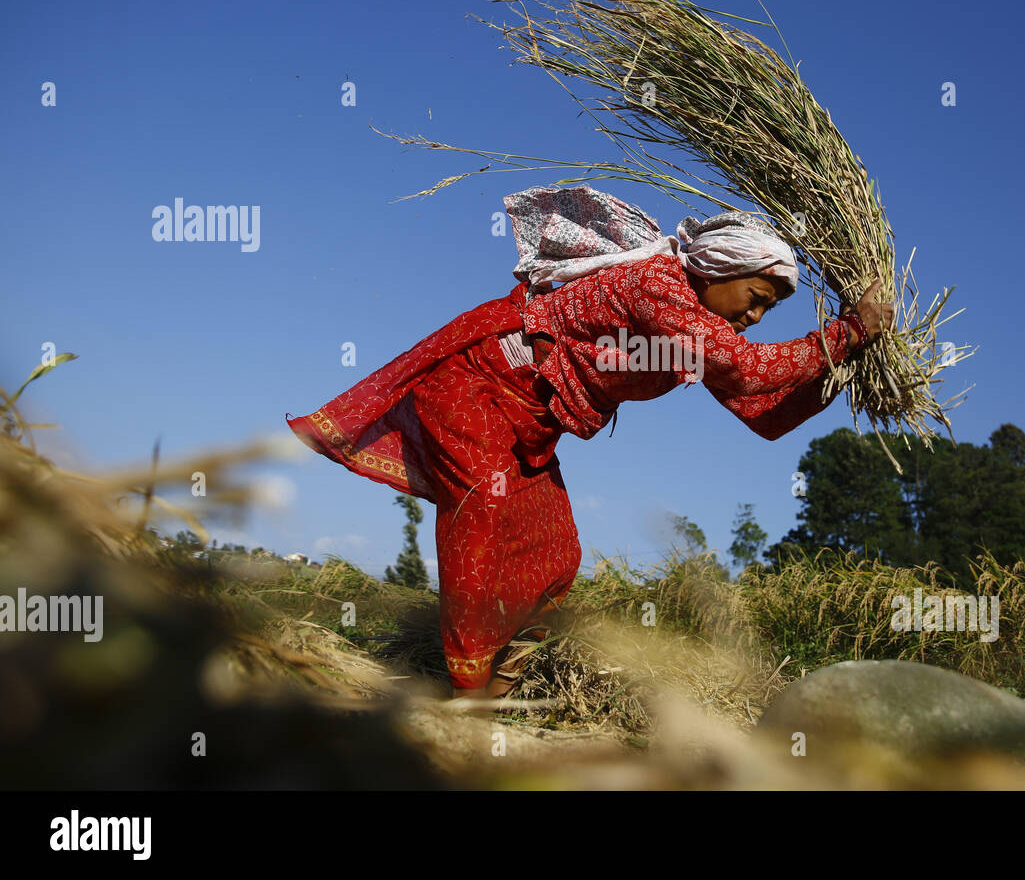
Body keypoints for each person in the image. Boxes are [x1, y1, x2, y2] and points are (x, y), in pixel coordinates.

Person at [285, 185, 895, 699]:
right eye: (755, 300)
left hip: (530, 423)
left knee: (555, 553)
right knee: (482, 509)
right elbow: (748, 369)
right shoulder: (660, 289)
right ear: (718, 270)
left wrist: (840, 373)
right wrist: (846, 333)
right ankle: (465, 686)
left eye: (766, 310)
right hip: (474, 385)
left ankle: (496, 679)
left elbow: (762, 411)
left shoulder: (695, 336)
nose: (756, 317)